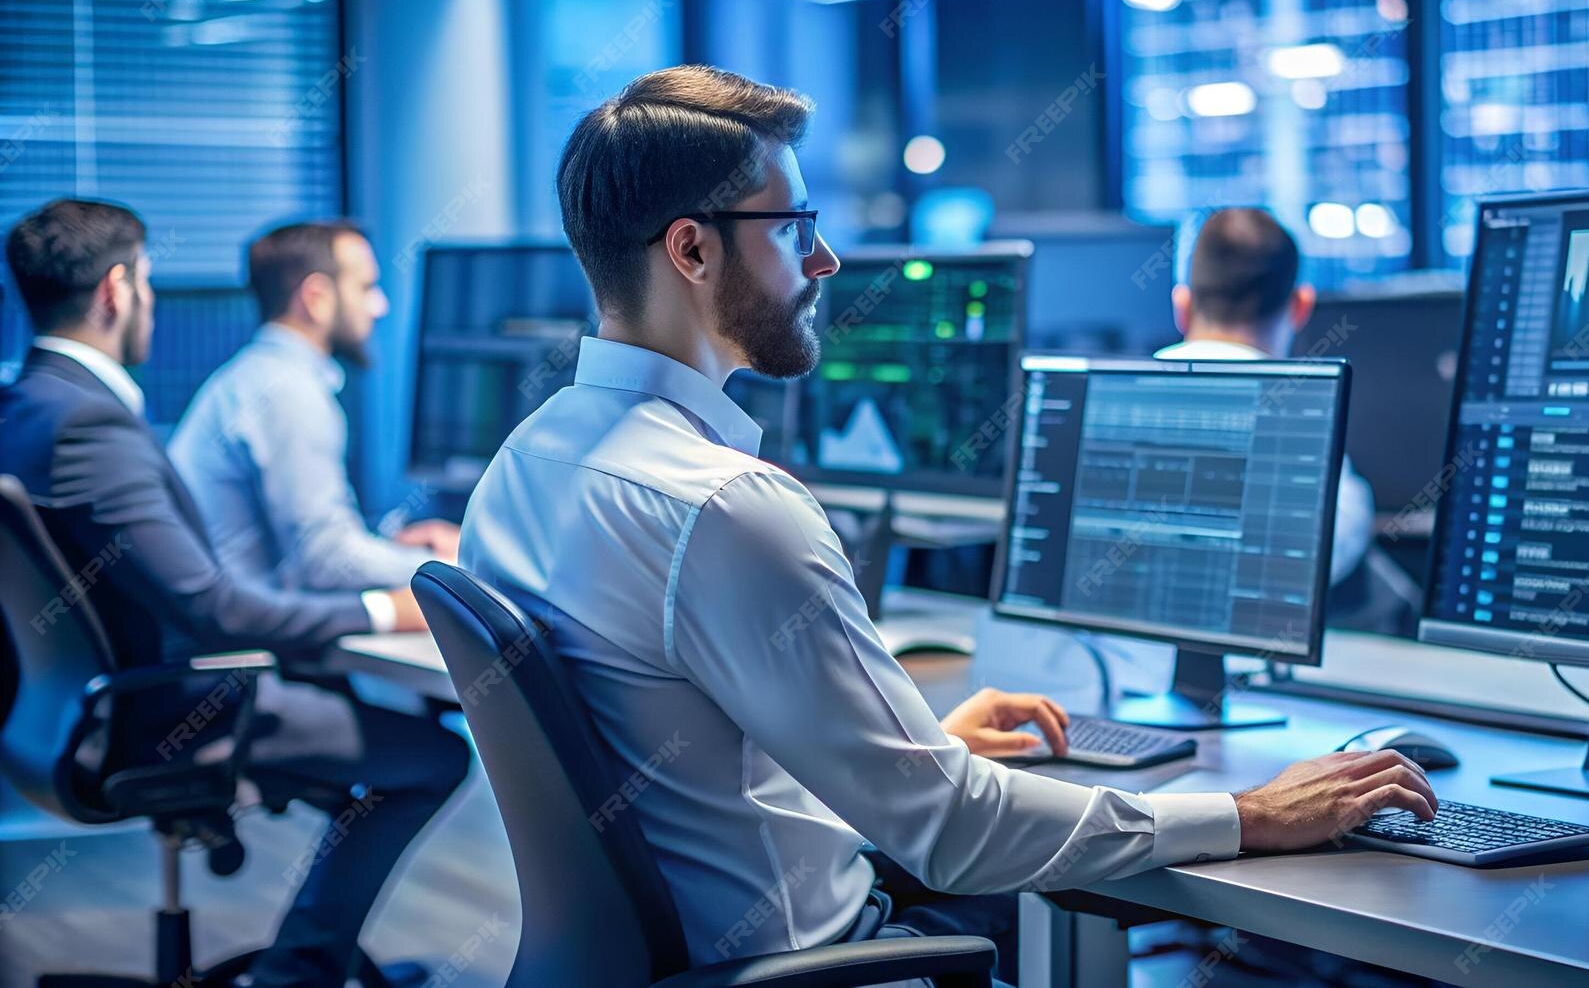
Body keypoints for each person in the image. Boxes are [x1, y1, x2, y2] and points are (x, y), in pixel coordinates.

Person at [458, 65, 1436, 977]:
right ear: (692, 248)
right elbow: (955, 834)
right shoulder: (724, 507)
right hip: (822, 964)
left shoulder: (521, 467)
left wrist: (917, 747)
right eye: (795, 225)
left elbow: (682, 776)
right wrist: (1245, 814)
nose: (826, 258)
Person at [0, 199, 470, 988]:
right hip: (164, 713)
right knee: (433, 754)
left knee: (375, 723)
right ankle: (298, 972)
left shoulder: (26, 406)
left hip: (68, 708)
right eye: (149, 282)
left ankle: (304, 962)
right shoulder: (92, 425)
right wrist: (389, 606)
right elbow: (212, 610)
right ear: (118, 290)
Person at [170, 220, 458, 594]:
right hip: (251, 643)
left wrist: (390, 547)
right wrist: (459, 568)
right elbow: (325, 562)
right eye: (366, 287)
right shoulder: (287, 391)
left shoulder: (252, 377)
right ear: (316, 297)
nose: (380, 306)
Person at [1158, 206, 1375, 585]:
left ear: (1182, 306)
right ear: (1301, 306)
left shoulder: (1121, 389)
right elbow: (1329, 553)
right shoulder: (1301, 411)